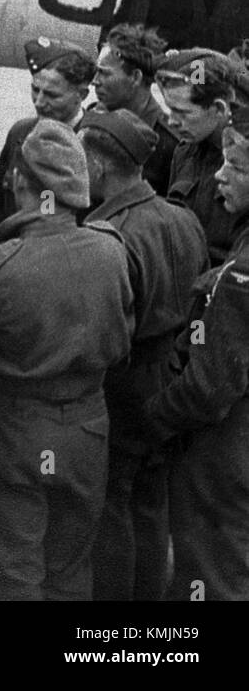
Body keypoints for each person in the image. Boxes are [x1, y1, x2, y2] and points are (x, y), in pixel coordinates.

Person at [0, 119, 133, 600]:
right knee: (70, 571)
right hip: (88, 432)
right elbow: (125, 332)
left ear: (18, 182)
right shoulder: (112, 250)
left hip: (16, 434)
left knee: (7, 574)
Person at [80, 109, 208, 601]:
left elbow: (107, 331)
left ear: (98, 164)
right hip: (171, 376)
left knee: (111, 503)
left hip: (124, 382)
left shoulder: (109, 235)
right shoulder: (183, 218)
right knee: (152, 505)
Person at [146, 108, 249, 600]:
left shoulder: (240, 277)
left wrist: (156, 416)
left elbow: (209, 388)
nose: (221, 176)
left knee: (209, 577)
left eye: (238, 167)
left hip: (225, 457)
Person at [0, 37, 95, 238]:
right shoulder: (19, 133)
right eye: (35, 90)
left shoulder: (95, 143)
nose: (40, 102)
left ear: (82, 95)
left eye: (52, 95)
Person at [157, 48, 249, 263]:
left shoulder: (244, 160)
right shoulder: (185, 151)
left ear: (218, 108)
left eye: (182, 112)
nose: (172, 121)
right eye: (170, 111)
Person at [90, 24, 179, 196]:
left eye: (105, 73)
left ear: (135, 77)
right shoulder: (93, 118)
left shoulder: (170, 143)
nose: (95, 81)